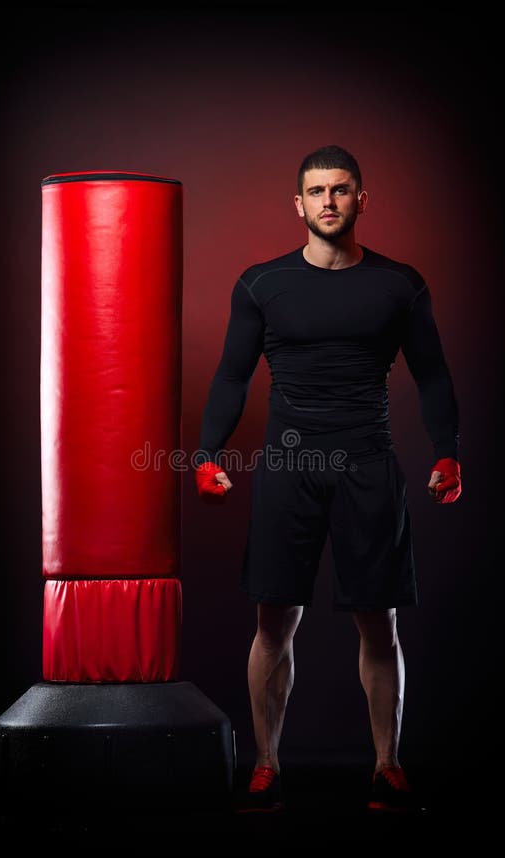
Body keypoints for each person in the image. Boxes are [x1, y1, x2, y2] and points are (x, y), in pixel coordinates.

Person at [194, 145, 461, 814]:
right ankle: (265, 765)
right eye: (316, 191)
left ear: (361, 199)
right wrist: (205, 452)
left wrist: (447, 450)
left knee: (379, 623)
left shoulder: (399, 284)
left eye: (341, 190)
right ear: (299, 204)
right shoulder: (261, 283)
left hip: (367, 463)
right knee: (273, 621)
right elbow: (231, 375)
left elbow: (431, 373)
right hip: (289, 465)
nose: (329, 202)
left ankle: (386, 766)